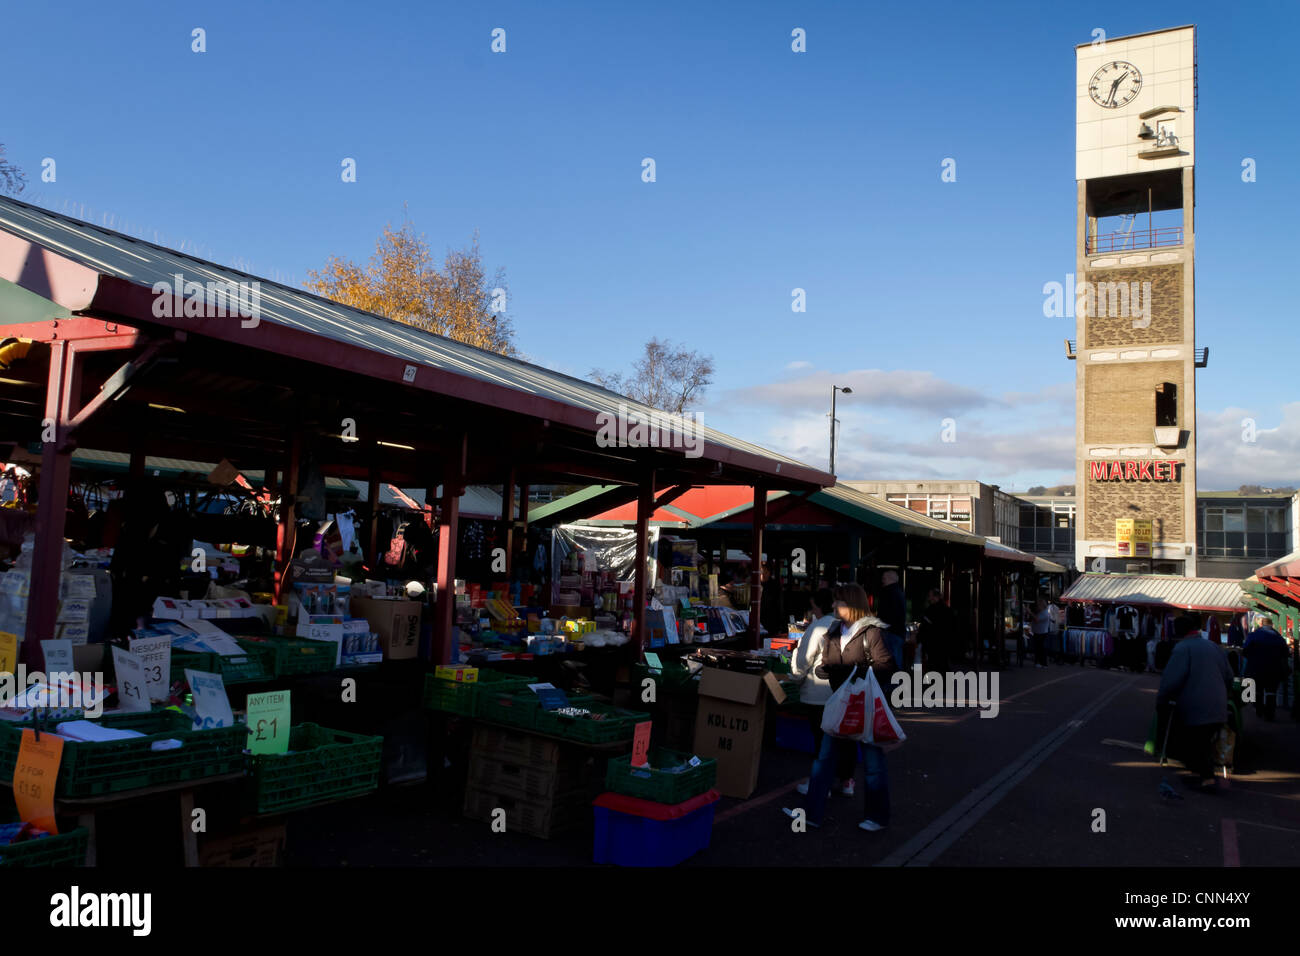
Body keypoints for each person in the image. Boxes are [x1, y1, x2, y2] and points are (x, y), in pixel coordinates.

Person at [782, 584, 897, 832]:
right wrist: (826, 668)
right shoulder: (834, 629)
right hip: (838, 703)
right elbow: (828, 661)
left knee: (873, 763)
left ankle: (877, 817)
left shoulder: (872, 632)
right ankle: (811, 813)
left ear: (852, 605)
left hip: (864, 705)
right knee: (823, 760)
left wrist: (849, 672)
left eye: (838, 602)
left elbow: (887, 667)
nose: (833, 606)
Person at [787, 588, 857, 797]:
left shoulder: (818, 628)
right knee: (845, 739)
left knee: (822, 742)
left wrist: (795, 677)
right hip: (845, 693)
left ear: (818, 606)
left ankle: (821, 784)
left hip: (819, 693)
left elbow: (802, 663)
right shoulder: (850, 627)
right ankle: (847, 781)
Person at [1156, 615, 1235, 791]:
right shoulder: (1214, 647)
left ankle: (1207, 779)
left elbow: (1171, 680)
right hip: (1218, 706)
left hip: (1195, 708)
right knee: (1203, 742)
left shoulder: (1183, 648)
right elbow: (1229, 676)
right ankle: (1202, 775)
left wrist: (1162, 699)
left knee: (1193, 743)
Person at [1242, 618, 1289, 720]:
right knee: (1271, 692)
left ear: (1261, 625)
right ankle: (1270, 714)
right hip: (1274, 669)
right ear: (1272, 625)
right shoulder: (1279, 638)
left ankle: (1259, 711)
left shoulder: (1253, 636)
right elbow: (1285, 654)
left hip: (1256, 669)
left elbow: (1245, 652)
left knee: (1258, 690)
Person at [877, 570, 907, 674]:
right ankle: (897, 684)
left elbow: (885, 614)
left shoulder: (888, 593)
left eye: (884, 578)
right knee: (896, 660)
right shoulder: (899, 592)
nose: (882, 580)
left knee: (890, 661)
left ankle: (892, 685)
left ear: (890, 579)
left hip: (890, 632)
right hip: (897, 632)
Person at [918, 589, 955, 674]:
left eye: (930, 596)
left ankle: (936, 685)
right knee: (944, 665)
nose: (929, 598)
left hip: (933, 643)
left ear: (935, 597)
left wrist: (920, 638)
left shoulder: (930, 611)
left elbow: (925, 628)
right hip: (944, 643)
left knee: (934, 666)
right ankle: (946, 685)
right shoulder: (948, 610)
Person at [1031, 596, 1052, 669]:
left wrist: (1029, 612)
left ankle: (1042, 663)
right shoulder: (1040, 612)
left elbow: (1036, 620)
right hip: (1038, 632)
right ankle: (1039, 662)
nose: (1037, 606)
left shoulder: (1045, 613)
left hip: (1042, 633)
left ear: (1042, 605)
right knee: (1038, 648)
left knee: (1041, 648)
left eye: (1038, 604)